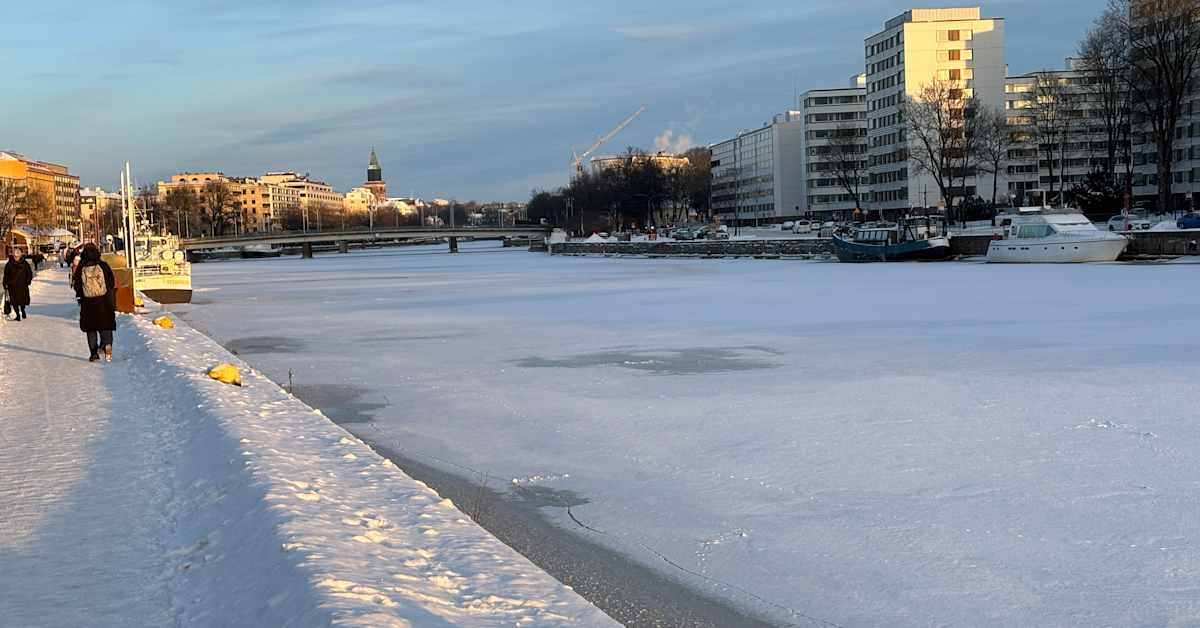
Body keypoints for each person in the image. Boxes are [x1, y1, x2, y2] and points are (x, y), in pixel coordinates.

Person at [73, 243, 117, 362]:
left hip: (88, 303)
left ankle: (93, 354)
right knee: (105, 325)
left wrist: (81, 296)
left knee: (91, 329)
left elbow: (76, 285)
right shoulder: (103, 266)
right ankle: (107, 345)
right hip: (104, 301)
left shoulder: (81, 267)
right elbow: (111, 282)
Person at [3, 248, 33, 321]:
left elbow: (29, 273)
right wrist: (5, 283)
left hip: (22, 285)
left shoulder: (25, 263)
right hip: (12, 286)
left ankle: (22, 310)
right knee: (14, 301)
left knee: (22, 301)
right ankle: (18, 315)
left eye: (18, 255)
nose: (16, 257)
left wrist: (28, 281)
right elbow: (6, 275)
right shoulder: (9, 264)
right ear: (13, 255)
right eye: (15, 256)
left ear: (20, 255)